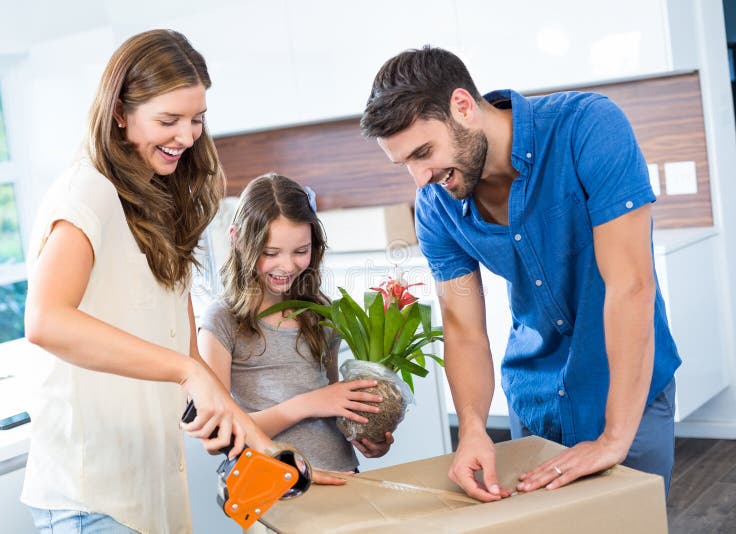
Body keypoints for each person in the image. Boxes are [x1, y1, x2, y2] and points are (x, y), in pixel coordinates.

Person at [360, 46, 681, 500]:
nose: (420, 178)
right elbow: (463, 326)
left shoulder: (587, 128)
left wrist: (612, 438)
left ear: (463, 107)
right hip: (535, 402)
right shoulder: (436, 207)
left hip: (627, 396)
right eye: (406, 164)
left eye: (424, 152)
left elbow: (630, 286)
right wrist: (472, 428)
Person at [21, 29, 274, 533]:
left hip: (150, 496)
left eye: (197, 119)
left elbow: (186, 354)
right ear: (120, 112)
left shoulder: (157, 200)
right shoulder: (86, 192)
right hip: (91, 498)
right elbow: (46, 321)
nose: (186, 136)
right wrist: (186, 371)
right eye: (168, 120)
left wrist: (264, 445)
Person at [198, 173, 395, 486]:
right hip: (273, 486)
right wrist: (308, 404)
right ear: (237, 239)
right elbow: (219, 434)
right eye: (271, 253)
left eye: (300, 251)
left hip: (343, 477)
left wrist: (366, 435)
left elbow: (332, 401)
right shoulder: (223, 320)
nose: (287, 266)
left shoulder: (320, 312)